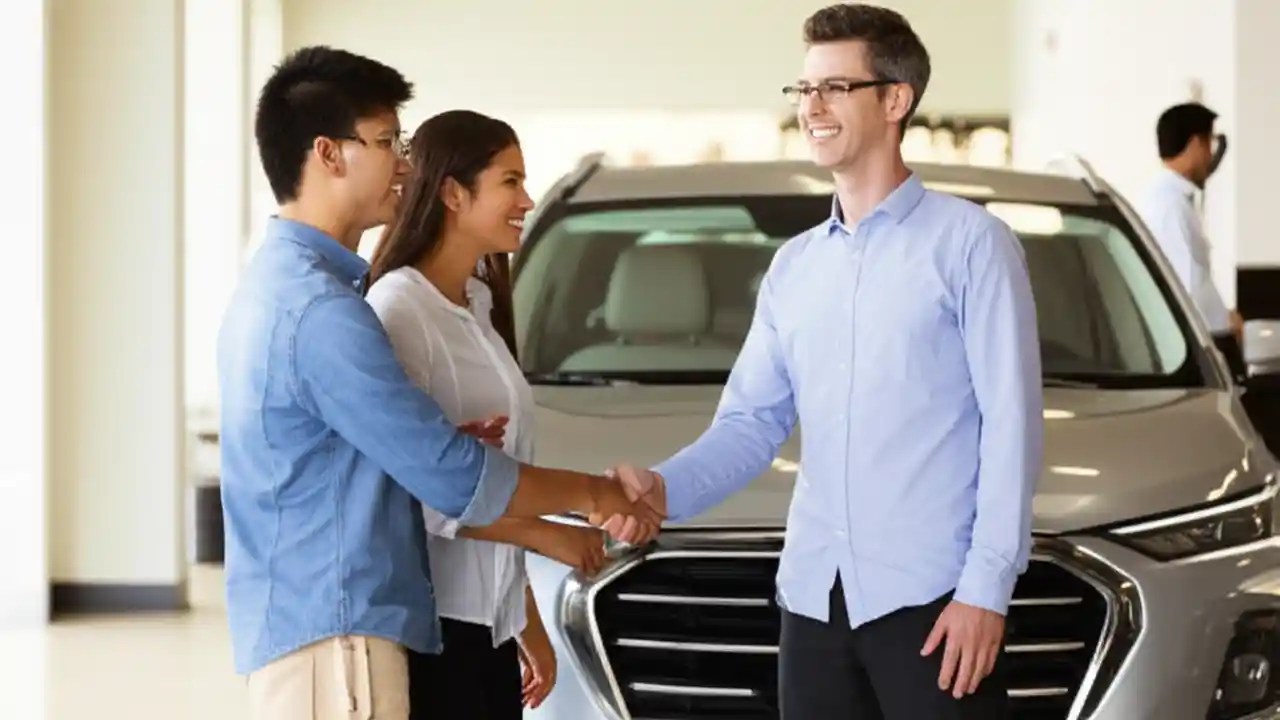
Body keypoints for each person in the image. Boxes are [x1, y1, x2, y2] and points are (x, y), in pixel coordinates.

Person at [601, 4, 1043, 718]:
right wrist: (662, 487)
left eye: (834, 88)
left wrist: (985, 592)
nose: (812, 107)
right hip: (812, 602)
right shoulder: (794, 268)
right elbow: (750, 423)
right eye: (803, 90)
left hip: (933, 607)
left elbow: (1012, 427)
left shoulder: (972, 245)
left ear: (894, 100)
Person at [218, 46, 657, 720]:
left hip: (332, 632)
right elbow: (452, 477)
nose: (404, 162)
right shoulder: (323, 312)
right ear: (329, 154)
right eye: (388, 140)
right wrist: (591, 496)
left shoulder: (295, 289)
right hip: (337, 642)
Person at [364, 110, 603, 718]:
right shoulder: (399, 310)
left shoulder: (478, 303)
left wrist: (522, 619)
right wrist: (546, 532)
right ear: (451, 192)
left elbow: (495, 469)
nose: (525, 199)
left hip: (486, 626)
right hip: (434, 627)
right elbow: (409, 487)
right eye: (510, 182)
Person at [1135, 102, 1244, 378]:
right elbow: (1190, 282)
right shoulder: (1171, 205)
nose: (1211, 156)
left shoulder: (1168, 198)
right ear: (1196, 144)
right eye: (1209, 145)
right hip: (1193, 349)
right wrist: (1226, 325)